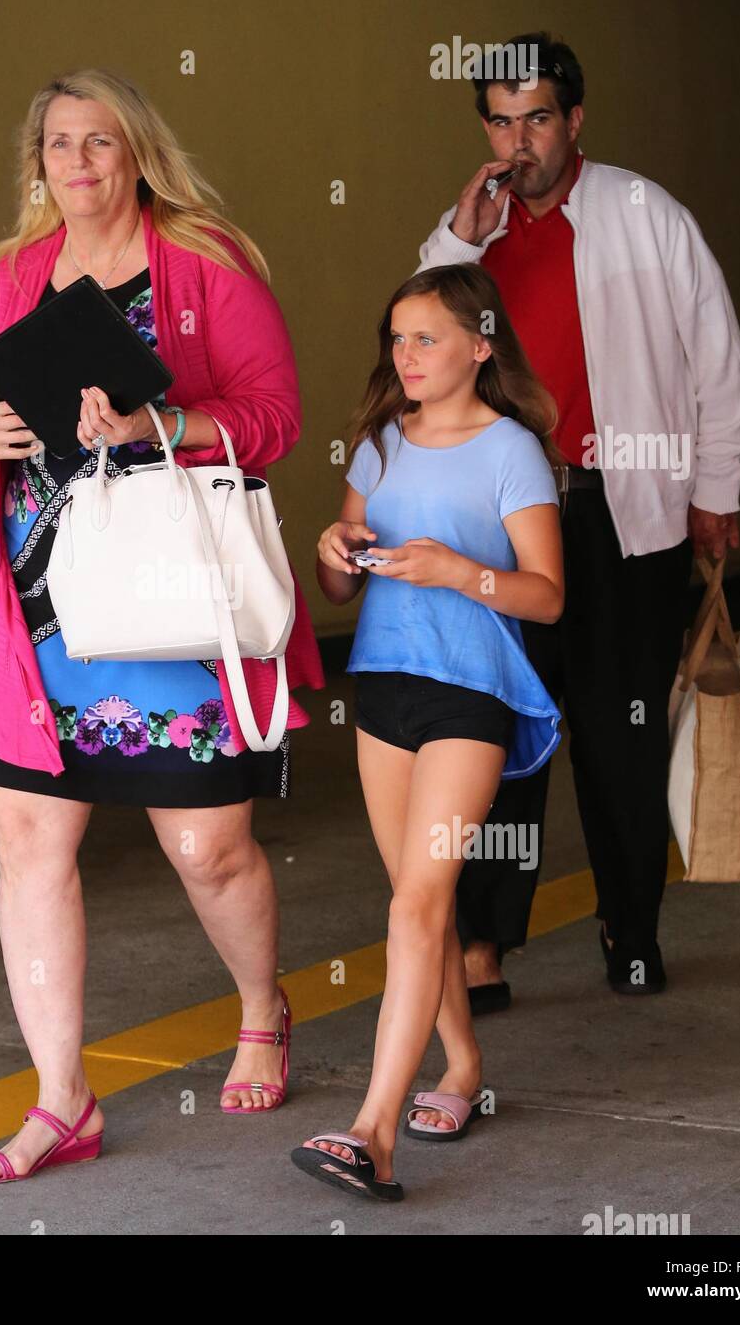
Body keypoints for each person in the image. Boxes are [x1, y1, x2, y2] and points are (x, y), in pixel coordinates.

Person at [0, 68, 325, 1184]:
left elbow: (276, 413)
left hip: (166, 599)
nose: (79, 163)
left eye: (99, 142)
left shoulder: (206, 263)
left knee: (206, 843)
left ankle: (262, 1004)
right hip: (37, 607)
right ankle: (62, 1099)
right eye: (59, 144)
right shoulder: (9, 279)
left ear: (136, 153)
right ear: (38, 162)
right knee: (29, 844)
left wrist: (170, 418)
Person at [417, 33, 740, 1004]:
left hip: (622, 515)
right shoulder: (466, 237)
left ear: (573, 121)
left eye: (536, 118)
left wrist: (714, 488)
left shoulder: (647, 216)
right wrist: (456, 239)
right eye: (499, 120)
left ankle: (629, 927)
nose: (518, 140)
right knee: (497, 735)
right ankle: (482, 941)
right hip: (501, 519)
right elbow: (418, 343)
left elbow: (717, 358)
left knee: (620, 733)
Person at [292, 264, 563, 1200]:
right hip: (385, 689)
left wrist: (459, 572)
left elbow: (547, 594)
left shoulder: (511, 451)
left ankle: (371, 1133)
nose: (405, 356)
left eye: (427, 338)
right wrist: (332, 550)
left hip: (472, 695)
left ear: (480, 346)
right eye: (396, 339)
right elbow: (341, 583)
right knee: (418, 901)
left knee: (414, 905)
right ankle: (460, 1068)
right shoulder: (377, 443)